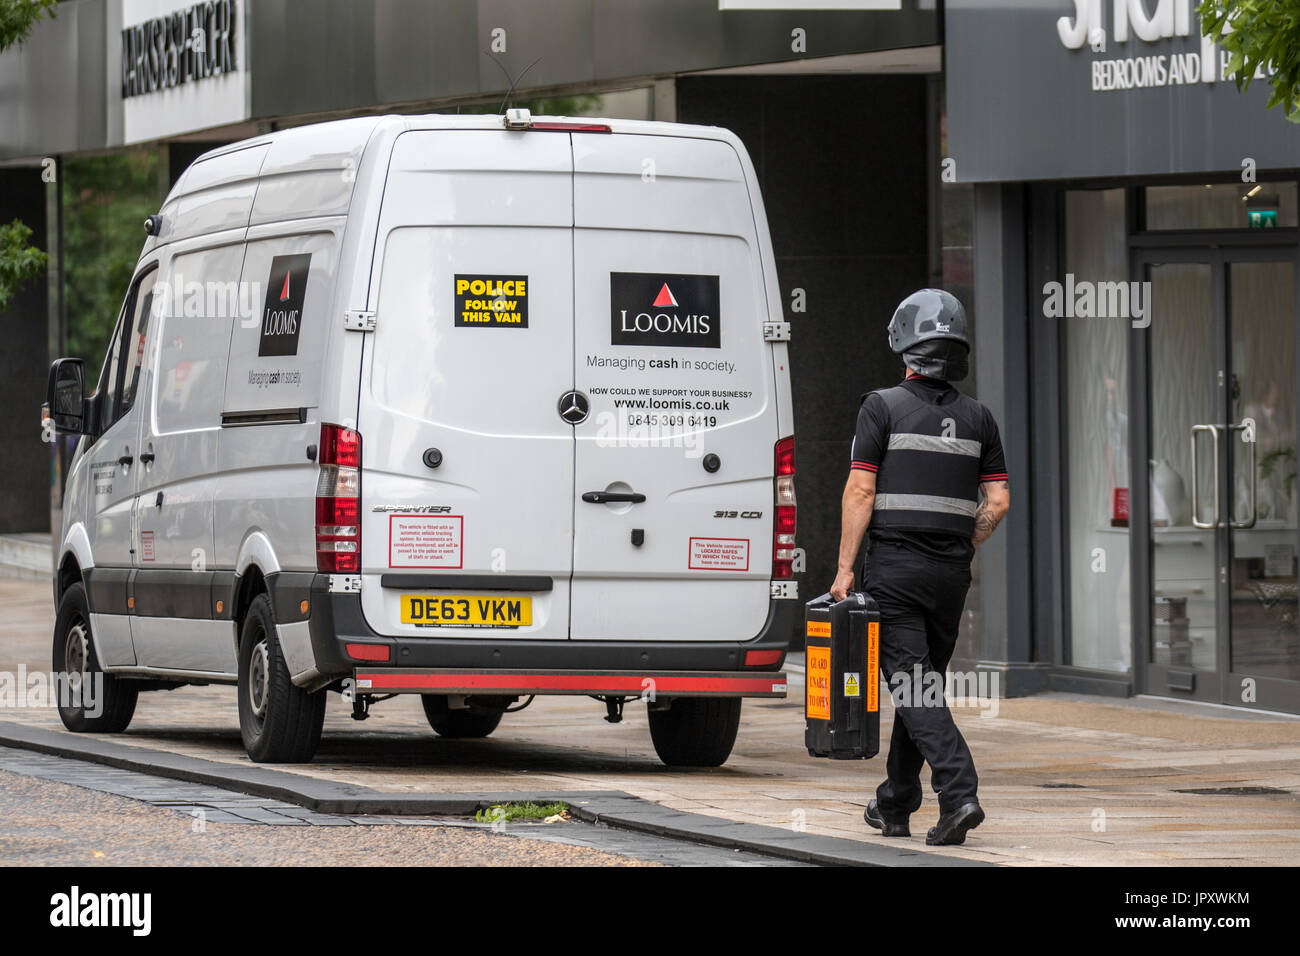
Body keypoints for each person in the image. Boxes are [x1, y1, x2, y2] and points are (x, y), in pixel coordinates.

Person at [829, 288, 1009, 847]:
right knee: (921, 685)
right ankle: (896, 803)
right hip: (951, 577)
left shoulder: (880, 406)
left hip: (896, 574)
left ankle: (959, 794)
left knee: (912, 688)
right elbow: (998, 502)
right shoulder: (980, 417)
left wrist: (842, 571)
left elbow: (860, 491)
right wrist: (961, 545)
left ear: (905, 347)